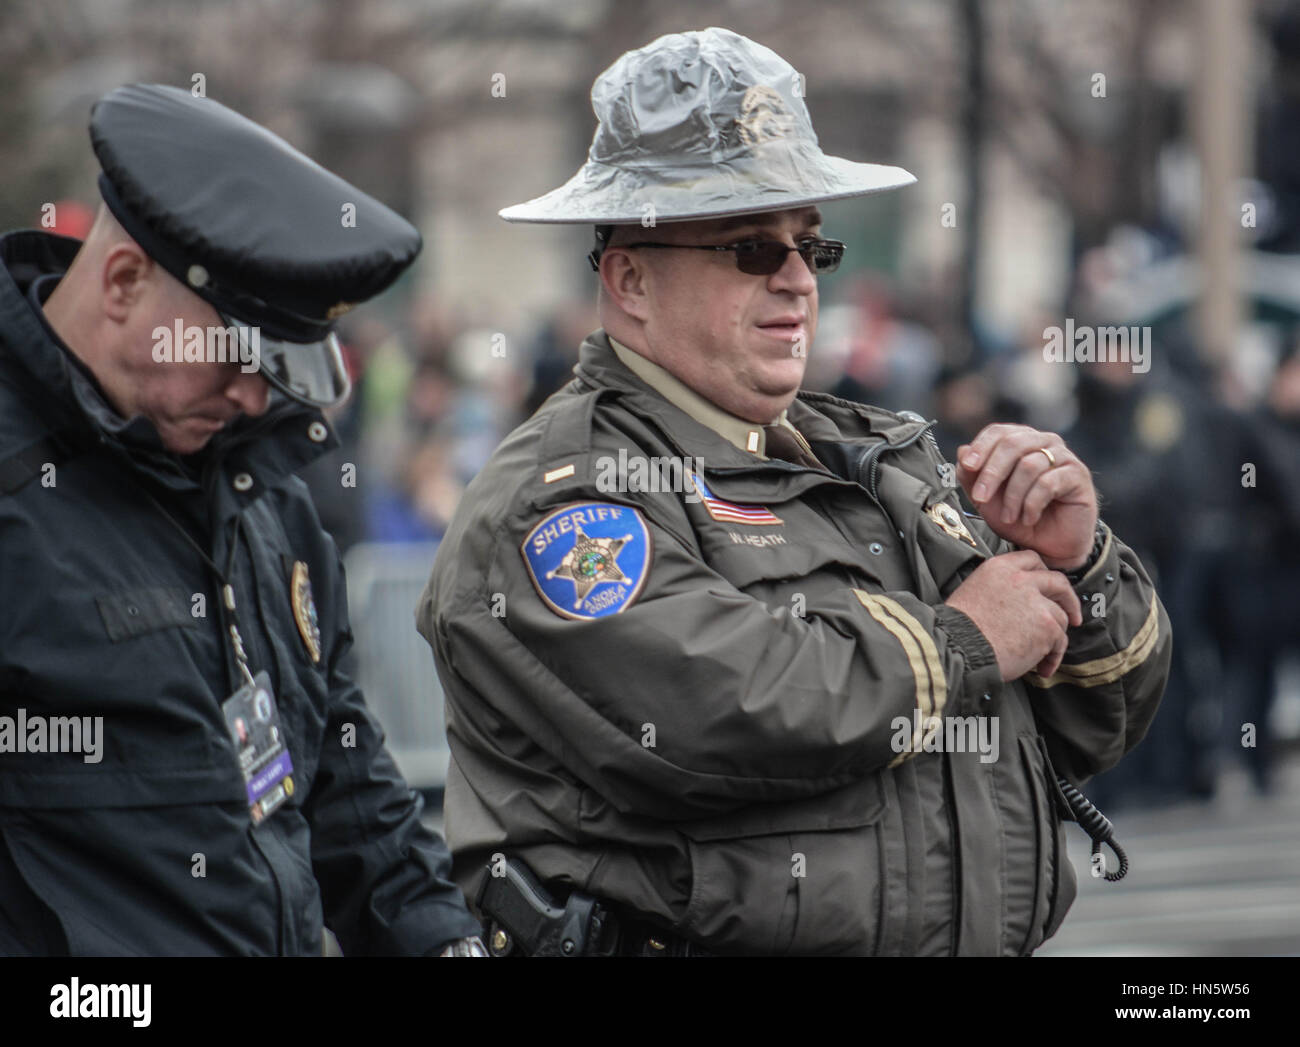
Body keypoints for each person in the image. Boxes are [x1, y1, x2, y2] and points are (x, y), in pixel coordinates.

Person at [418, 28, 1171, 956]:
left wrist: (1076, 562)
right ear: (630, 279)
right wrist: (970, 638)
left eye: (812, 247)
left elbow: (1103, 720)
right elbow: (717, 716)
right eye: (747, 247)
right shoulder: (563, 495)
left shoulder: (876, 455)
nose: (794, 280)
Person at [0, 84, 483, 956]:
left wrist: (447, 945)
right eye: (235, 350)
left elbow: (349, 790)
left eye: (280, 360)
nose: (258, 394)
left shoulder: (267, 503)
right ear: (120, 282)